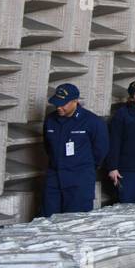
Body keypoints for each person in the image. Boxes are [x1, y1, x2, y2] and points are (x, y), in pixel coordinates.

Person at [42, 83, 108, 216]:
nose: (59, 107)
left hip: (80, 180)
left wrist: (83, 167)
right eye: (57, 103)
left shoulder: (93, 122)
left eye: (63, 104)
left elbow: (101, 150)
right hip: (54, 179)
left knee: (75, 222)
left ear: (75, 101)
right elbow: (48, 147)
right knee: (47, 221)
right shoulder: (50, 120)